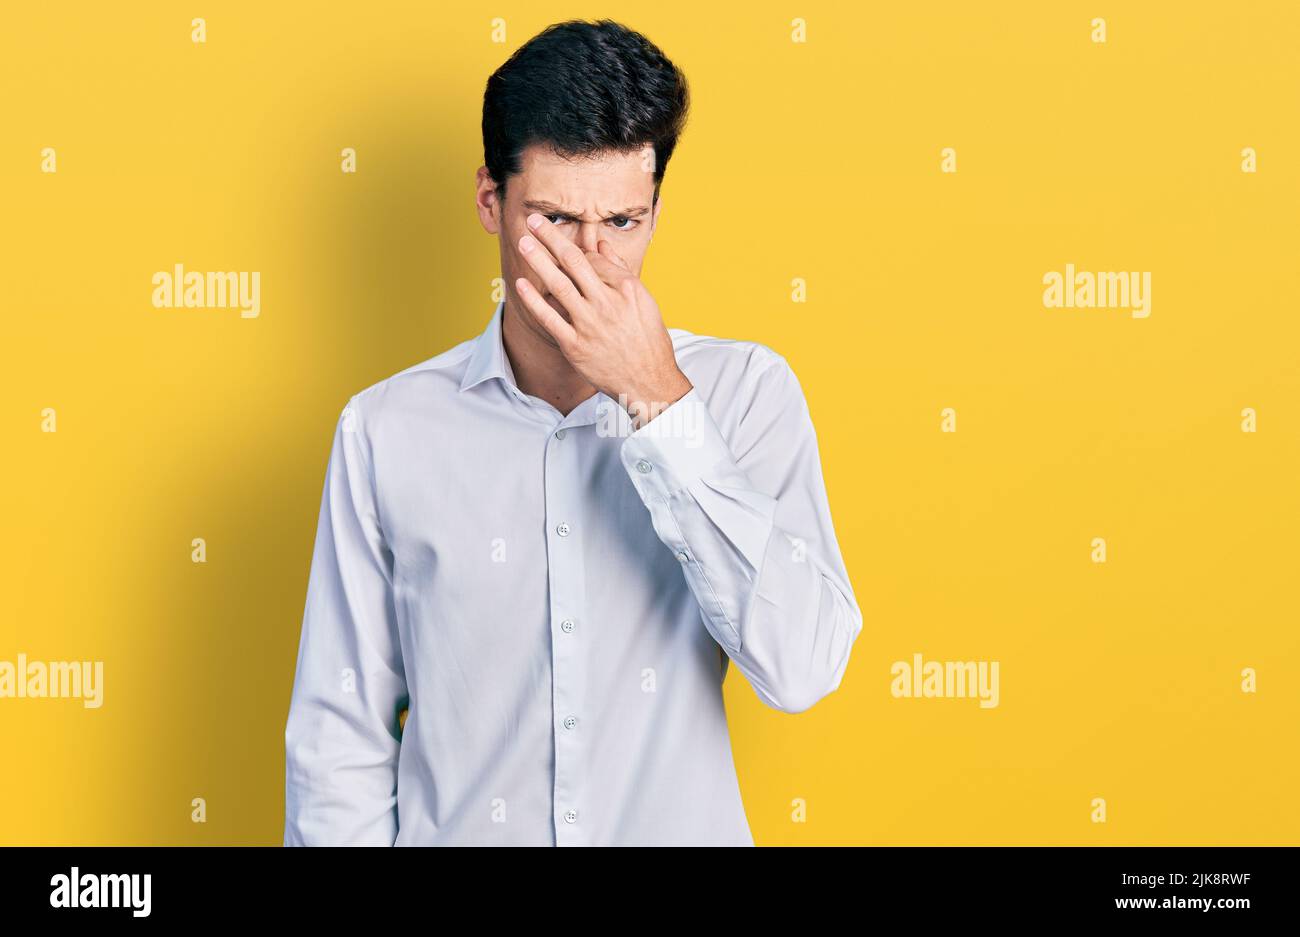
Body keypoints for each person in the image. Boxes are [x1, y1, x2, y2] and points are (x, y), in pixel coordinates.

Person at [284, 18, 862, 846]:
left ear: (656, 209)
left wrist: (658, 398)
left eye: (623, 223)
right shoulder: (384, 430)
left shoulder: (745, 394)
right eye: (555, 220)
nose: (591, 262)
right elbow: (338, 741)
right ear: (491, 200)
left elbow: (802, 667)